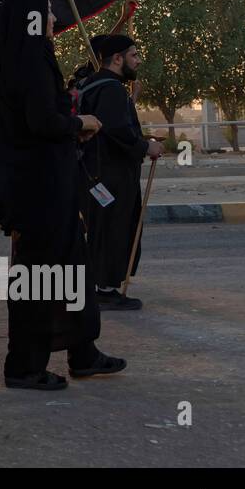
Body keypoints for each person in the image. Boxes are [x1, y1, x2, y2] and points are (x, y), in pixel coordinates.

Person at [0, 0, 127, 390]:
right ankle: (24, 367)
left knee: (74, 272)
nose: (51, 19)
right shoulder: (29, 61)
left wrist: (70, 133)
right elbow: (43, 121)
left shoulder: (23, 57)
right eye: (45, 12)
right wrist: (82, 124)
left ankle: (83, 352)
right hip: (38, 193)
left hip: (52, 188)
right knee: (39, 278)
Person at [78, 34, 162, 311]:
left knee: (102, 228)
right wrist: (145, 147)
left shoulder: (94, 85)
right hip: (108, 175)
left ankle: (99, 285)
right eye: (134, 55)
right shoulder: (111, 89)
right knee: (112, 229)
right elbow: (116, 131)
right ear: (117, 58)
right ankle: (106, 290)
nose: (138, 61)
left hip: (94, 174)